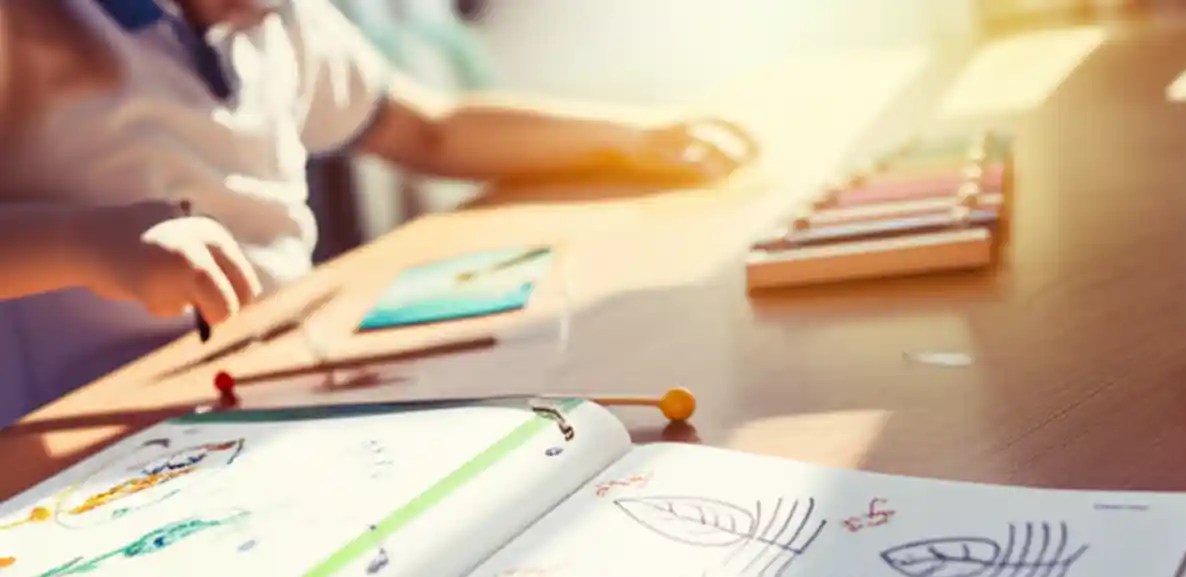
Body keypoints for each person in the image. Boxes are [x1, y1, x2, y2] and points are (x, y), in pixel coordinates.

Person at [0, 0, 756, 424]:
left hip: (271, 380)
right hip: (91, 428)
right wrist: (86, 241)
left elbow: (429, 128)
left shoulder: (286, 23)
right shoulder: (28, 26)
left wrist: (630, 139)